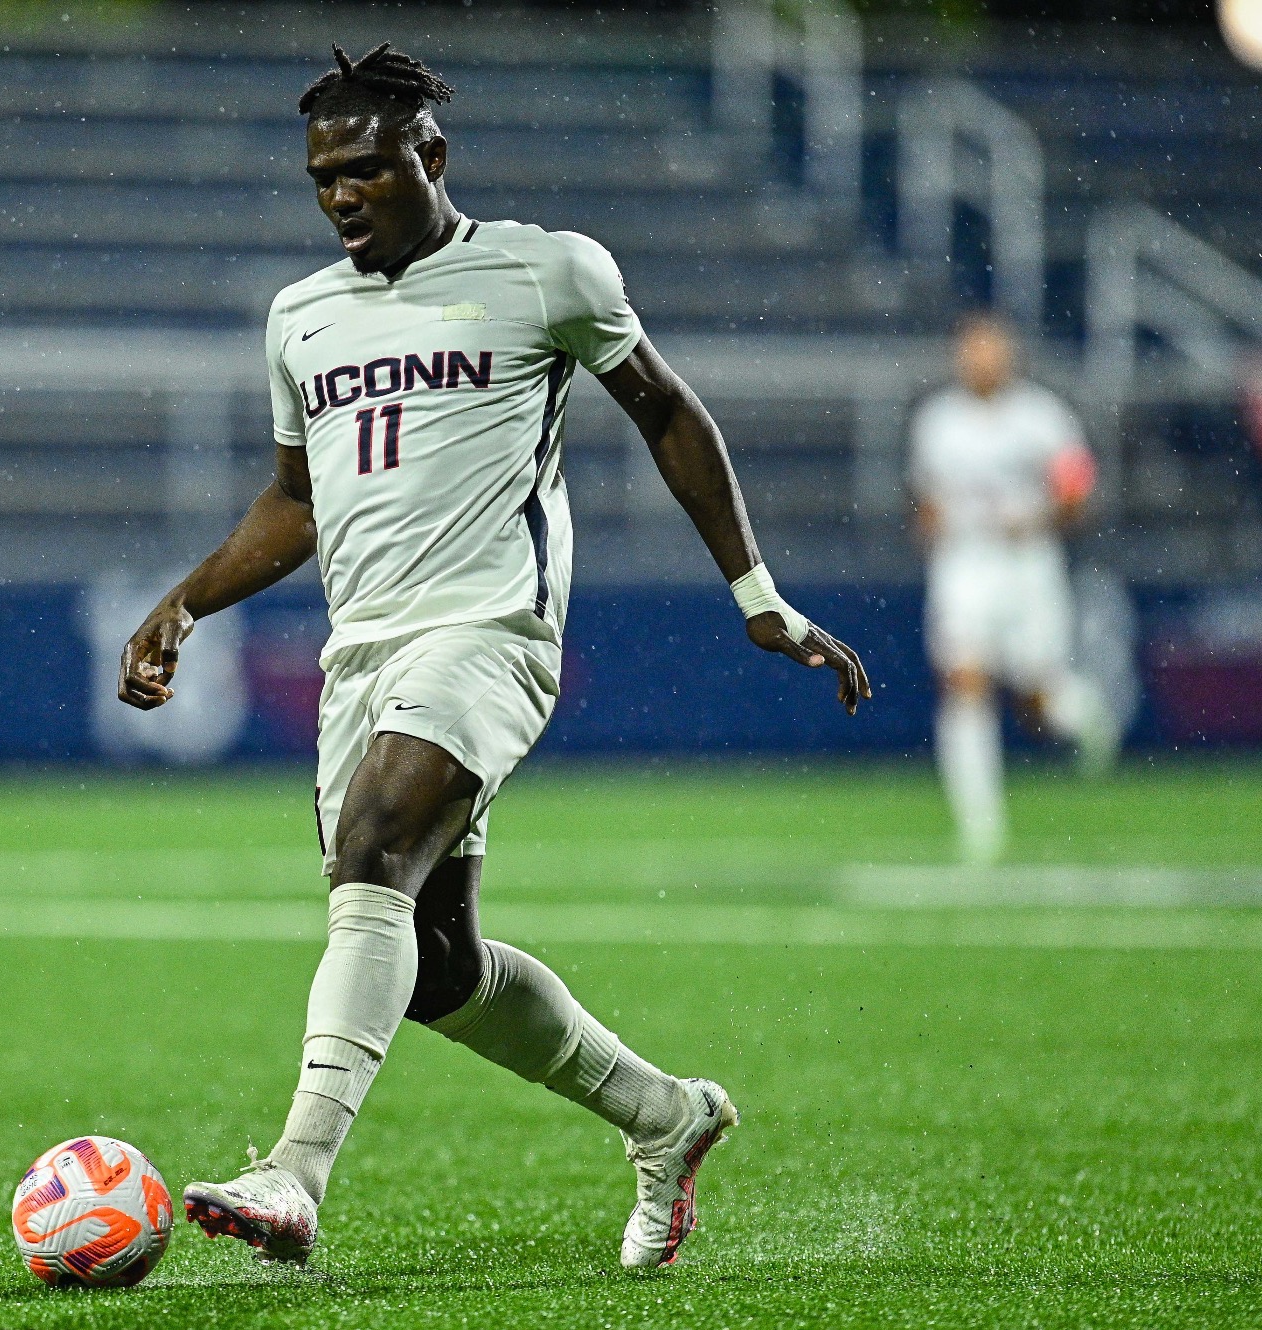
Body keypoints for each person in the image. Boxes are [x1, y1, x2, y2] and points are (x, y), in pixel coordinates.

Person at [117, 43, 870, 1271]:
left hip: (490, 632)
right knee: (433, 966)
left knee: (371, 848)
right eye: (323, 180)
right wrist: (184, 601)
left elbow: (667, 411)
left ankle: (291, 1175)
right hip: (357, 653)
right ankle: (664, 1117)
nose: (343, 196)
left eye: (365, 169)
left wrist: (755, 593)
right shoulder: (299, 318)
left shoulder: (542, 270)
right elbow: (293, 504)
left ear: (432, 156)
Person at [910, 313, 1117, 865]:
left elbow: (1078, 486)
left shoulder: (1041, 416)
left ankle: (1088, 714)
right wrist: (933, 527)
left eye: (991, 351)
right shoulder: (937, 421)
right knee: (964, 683)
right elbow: (926, 498)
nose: (981, 361)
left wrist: (1042, 518)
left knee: (1036, 701)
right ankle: (980, 827)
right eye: (972, 351)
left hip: (1028, 566)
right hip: (964, 567)